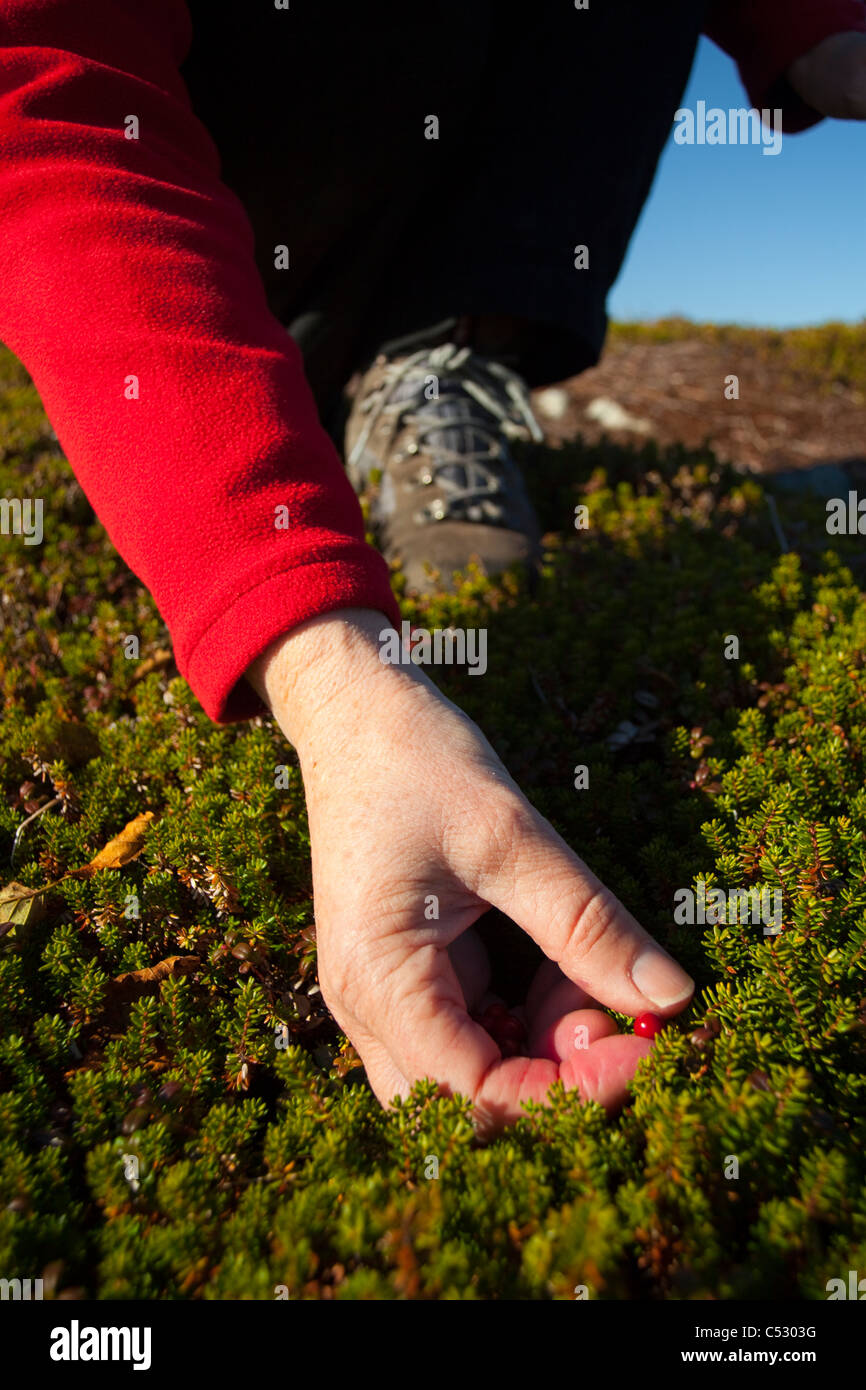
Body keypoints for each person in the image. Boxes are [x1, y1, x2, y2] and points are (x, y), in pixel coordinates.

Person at [1, 1, 865, 1133]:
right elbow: (46, 91)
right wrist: (332, 674)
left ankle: (438, 363)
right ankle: (280, 392)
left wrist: (810, 27)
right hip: (238, 233)